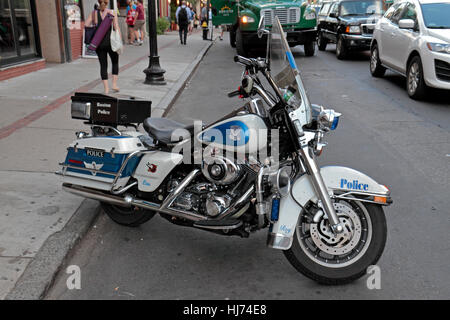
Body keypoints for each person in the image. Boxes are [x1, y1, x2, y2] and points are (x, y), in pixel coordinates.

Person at [85, 0, 121, 94]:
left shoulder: (94, 13)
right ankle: (114, 84)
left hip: (98, 43)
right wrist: (120, 41)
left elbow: (86, 24)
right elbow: (116, 27)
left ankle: (106, 89)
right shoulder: (112, 12)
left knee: (103, 65)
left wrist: (96, 25)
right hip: (110, 43)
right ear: (107, 2)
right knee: (115, 62)